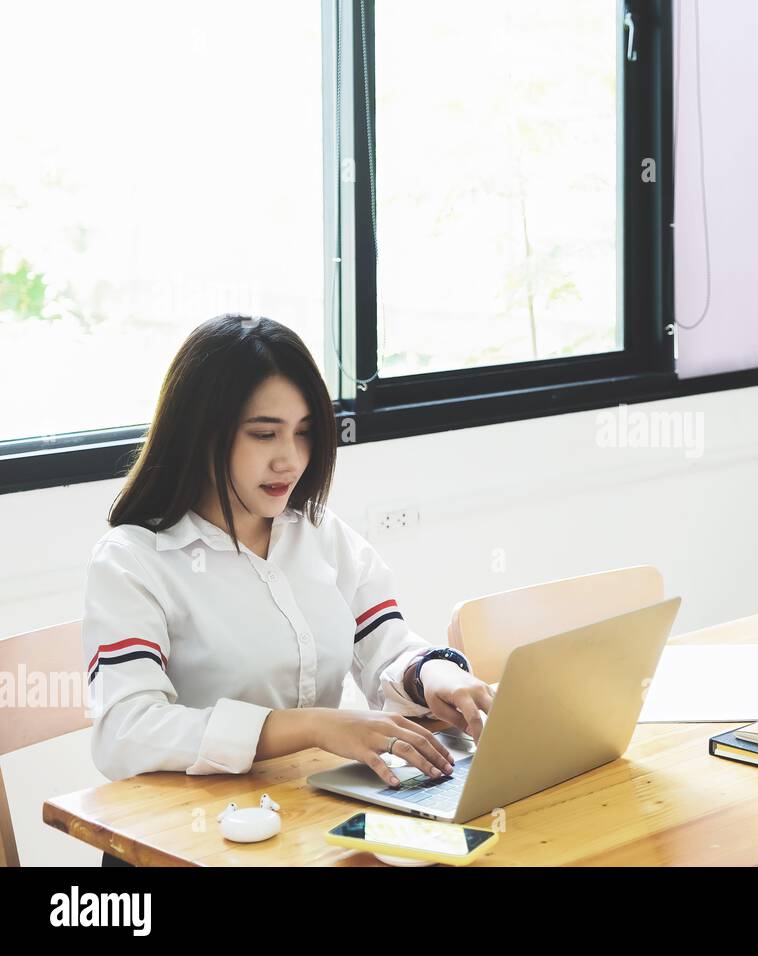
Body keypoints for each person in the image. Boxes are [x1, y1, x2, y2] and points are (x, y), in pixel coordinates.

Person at [84, 314, 494, 865]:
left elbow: (385, 646)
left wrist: (434, 674)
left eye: (304, 432)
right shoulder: (135, 561)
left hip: (304, 823)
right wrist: (312, 727)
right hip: (186, 841)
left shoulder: (319, 533)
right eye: (264, 433)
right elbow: (125, 733)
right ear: (201, 432)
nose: (291, 459)